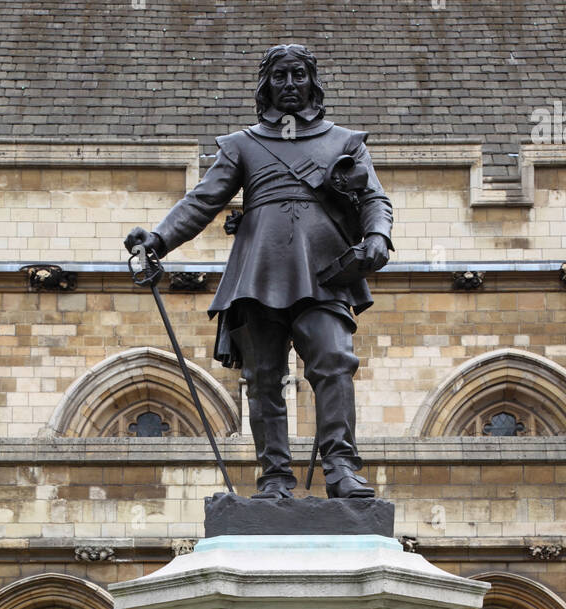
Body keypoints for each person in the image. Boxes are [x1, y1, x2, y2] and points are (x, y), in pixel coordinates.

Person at [125, 43, 394, 499]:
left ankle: (342, 467)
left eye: (298, 75)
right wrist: (160, 238)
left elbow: (374, 200)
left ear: (313, 82)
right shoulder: (242, 145)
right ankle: (274, 478)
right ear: (266, 86)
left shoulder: (345, 143)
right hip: (259, 270)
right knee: (263, 377)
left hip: (324, 269)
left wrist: (378, 237)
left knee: (333, 361)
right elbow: (203, 200)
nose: (290, 85)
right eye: (280, 77)